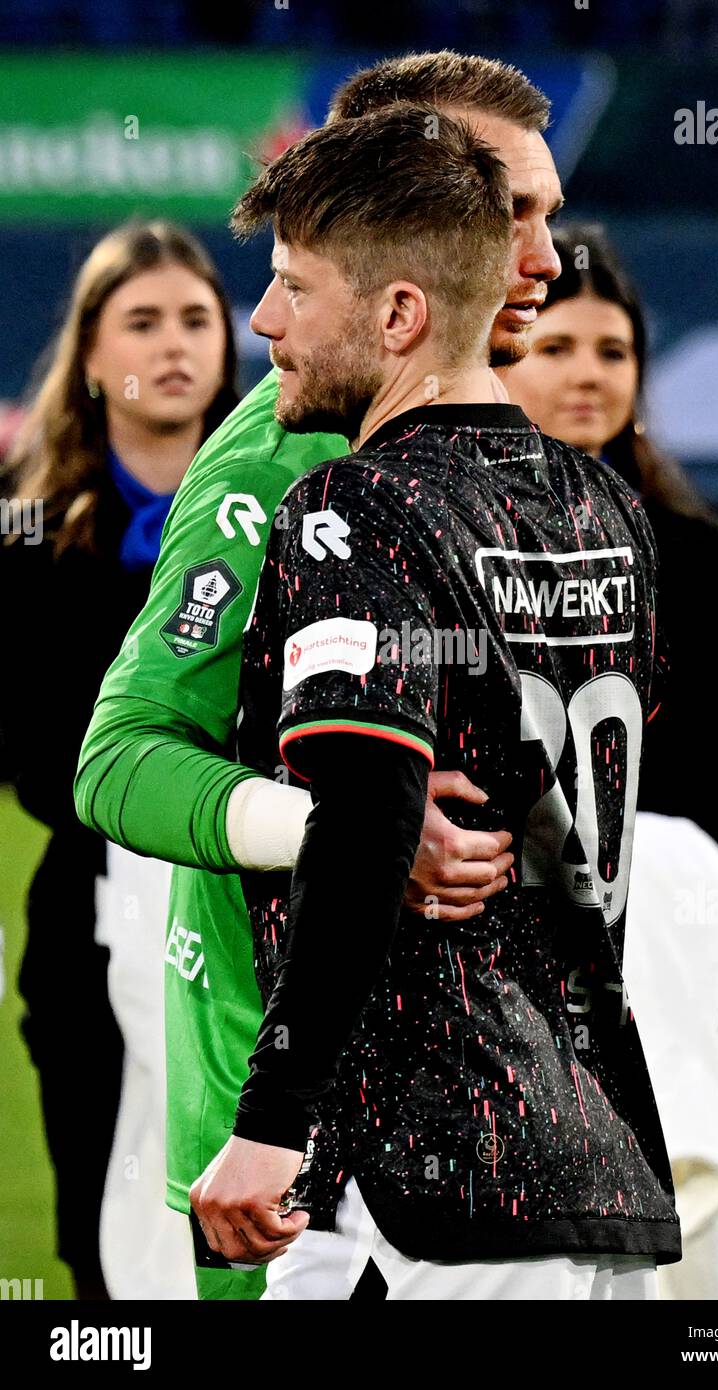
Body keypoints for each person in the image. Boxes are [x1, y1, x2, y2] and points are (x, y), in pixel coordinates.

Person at [75, 49, 564, 1301]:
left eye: (547, 217)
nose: (543, 258)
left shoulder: (513, 438)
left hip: (499, 1112)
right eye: (509, 212)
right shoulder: (271, 466)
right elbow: (120, 756)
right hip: (297, 1137)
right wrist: (346, 827)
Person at [190, 103, 681, 1302]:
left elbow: (366, 824)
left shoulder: (349, 508)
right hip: (592, 1161)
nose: (264, 322)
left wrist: (270, 1118)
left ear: (398, 314)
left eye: (294, 288)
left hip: (425, 1189)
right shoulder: (606, 507)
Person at [503, 224, 718, 1298]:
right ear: (500, 355)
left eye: (611, 351)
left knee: (684, 1217)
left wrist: (632, 883)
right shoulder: (438, 532)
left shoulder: (686, 548)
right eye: (556, 345)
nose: (586, 374)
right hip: (494, 948)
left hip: (662, 924)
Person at [0, 220, 237, 1299]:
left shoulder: (293, 505)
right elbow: (32, 746)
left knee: (258, 1233)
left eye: (197, 318)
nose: (177, 343)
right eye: (142, 321)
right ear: (90, 353)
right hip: (86, 914)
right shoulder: (24, 526)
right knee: (102, 1243)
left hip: (255, 907)